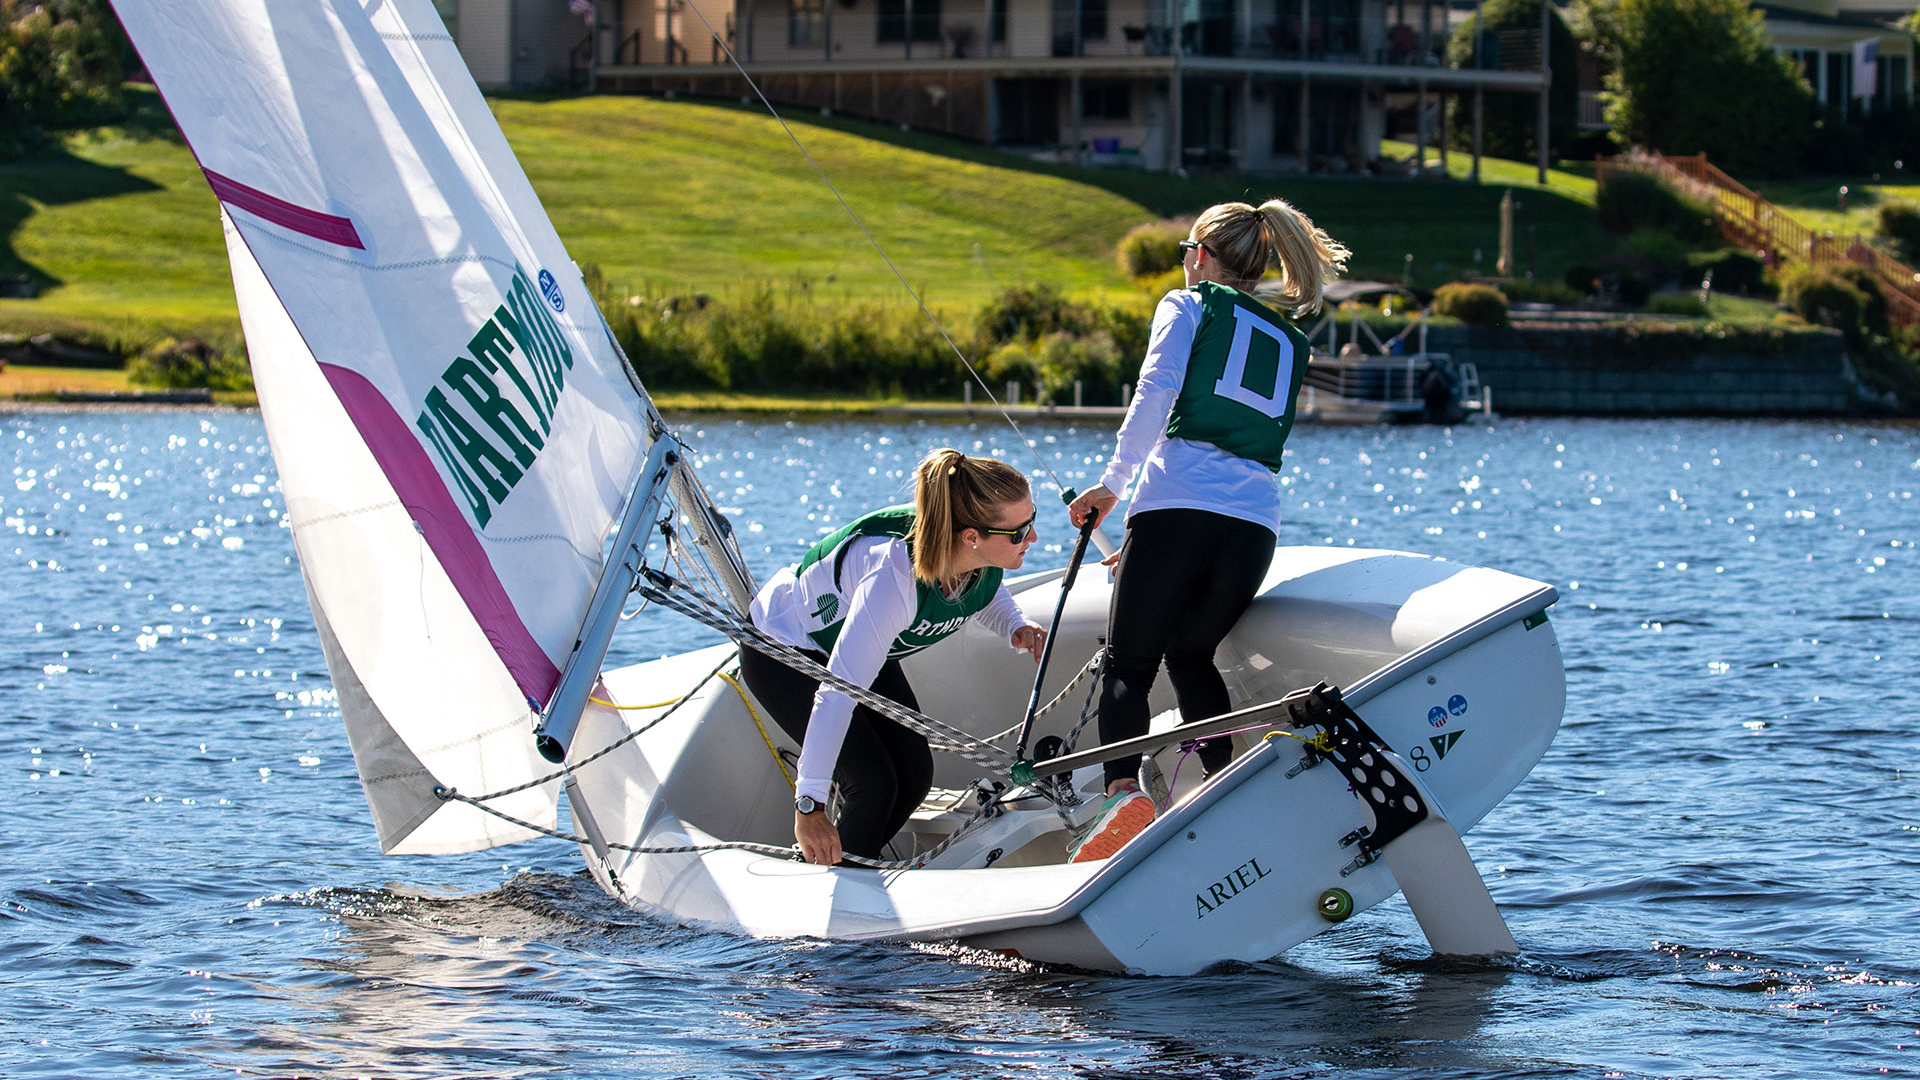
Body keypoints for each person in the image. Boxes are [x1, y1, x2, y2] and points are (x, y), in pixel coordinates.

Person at [1064, 199, 1350, 862]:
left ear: (1199, 254)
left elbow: (1156, 389)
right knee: (1191, 655)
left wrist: (1113, 484)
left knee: (1129, 664)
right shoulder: (1292, 340)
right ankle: (1223, 790)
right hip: (1253, 527)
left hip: (1176, 507)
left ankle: (1121, 798)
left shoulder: (1189, 304)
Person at [740, 448, 1047, 866]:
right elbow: (836, 696)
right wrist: (808, 807)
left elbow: (984, 591)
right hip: (783, 649)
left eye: (1032, 520)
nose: (1033, 538)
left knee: (915, 773)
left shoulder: (973, 549)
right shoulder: (892, 580)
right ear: (971, 537)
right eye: (1019, 532)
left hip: (854, 643)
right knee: (874, 783)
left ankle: (851, 865)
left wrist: (1014, 624)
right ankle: (835, 880)